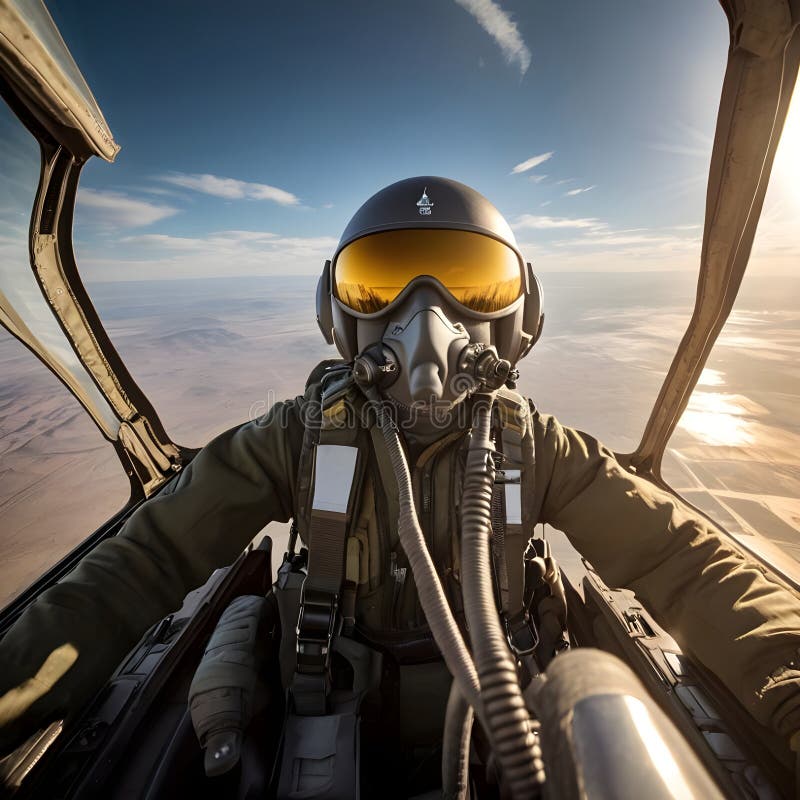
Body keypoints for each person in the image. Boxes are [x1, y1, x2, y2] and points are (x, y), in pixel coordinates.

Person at [1, 176, 799, 767]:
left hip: (501, 731)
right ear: (338, 312)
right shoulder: (300, 439)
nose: (427, 315)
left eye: (470, 280)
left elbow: (682, 558)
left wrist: (788, 681)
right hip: (329, 716)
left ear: (522, 317)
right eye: (380, 282)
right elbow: (146, 558)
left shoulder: (534, 446)